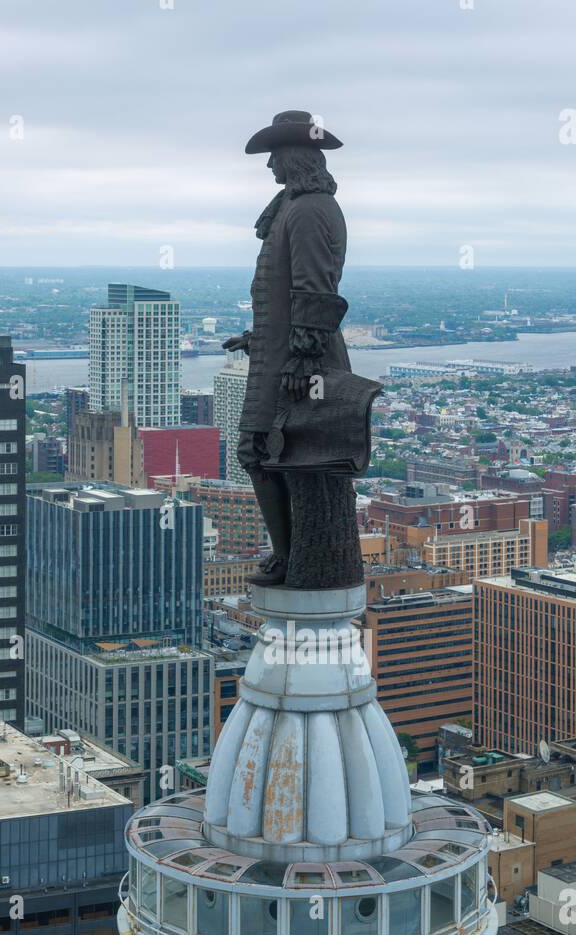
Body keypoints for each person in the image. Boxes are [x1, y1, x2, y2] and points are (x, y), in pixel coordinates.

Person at [223, 110, 362, 589]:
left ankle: (289, 556)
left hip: (300, 360)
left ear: (294, 156)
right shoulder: (294, 207)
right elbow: (289, 296)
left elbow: (316, 291)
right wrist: (257, 337)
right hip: (279, 352)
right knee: (267, 452)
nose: (270, 168)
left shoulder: (307, 211)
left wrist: (302, 357)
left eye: (275, 157)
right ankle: (291, 551)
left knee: (262, 450)